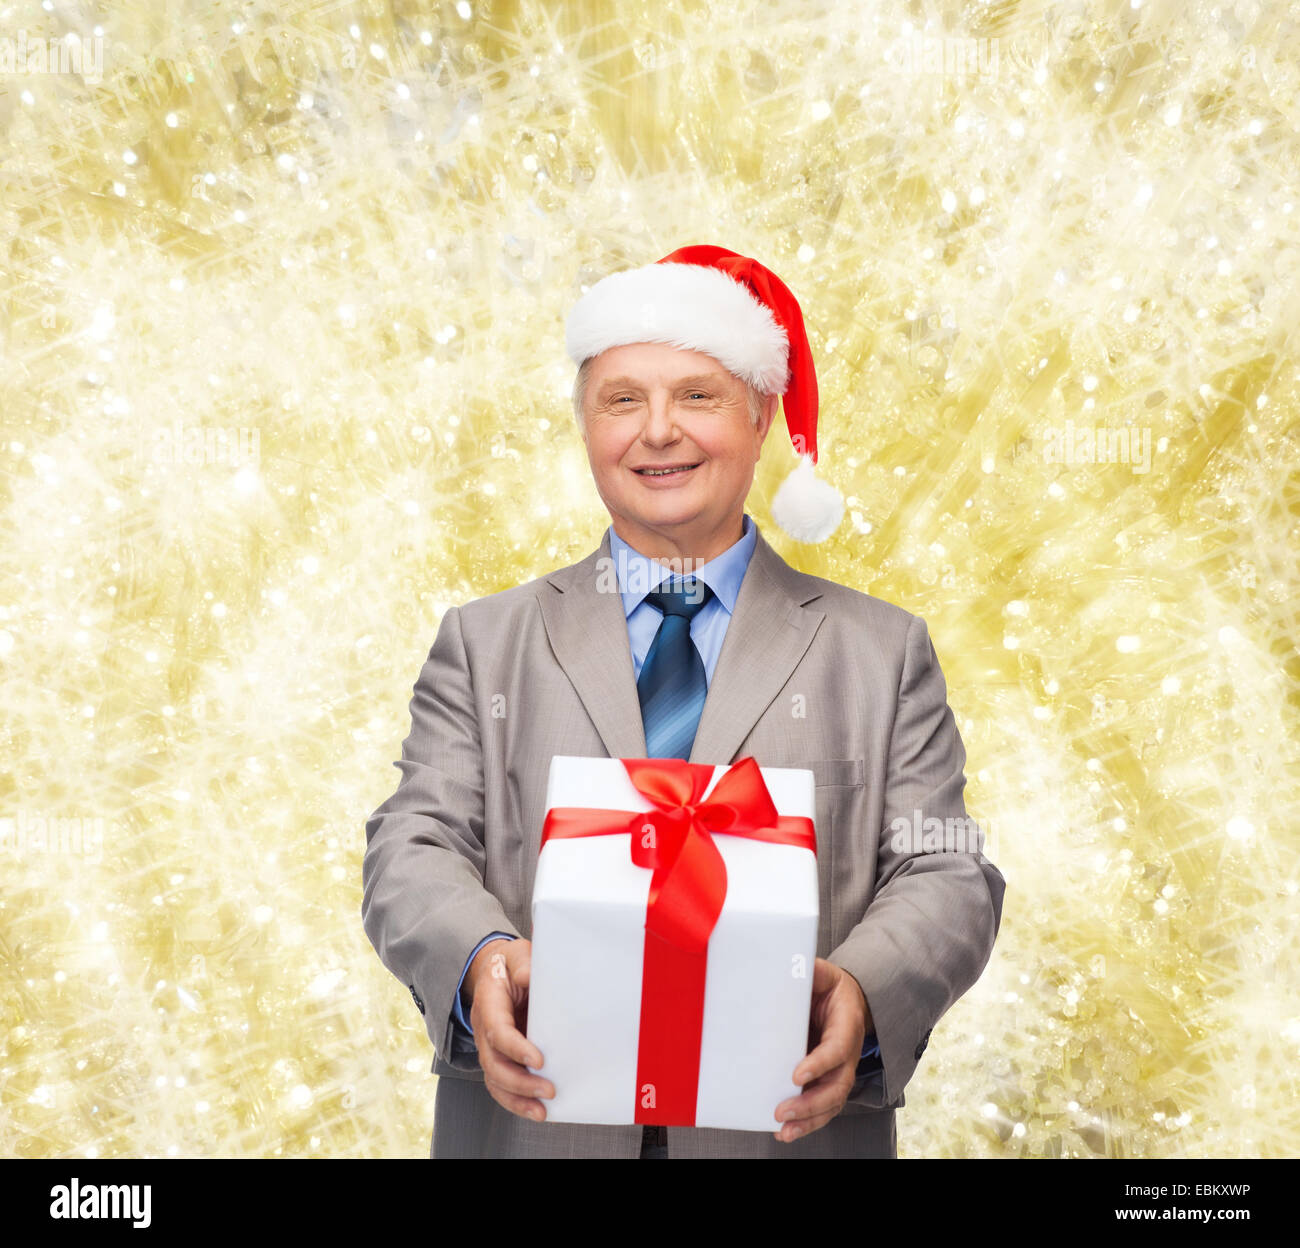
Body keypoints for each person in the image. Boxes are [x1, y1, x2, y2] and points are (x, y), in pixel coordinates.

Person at [362, 244, 1006, 1158]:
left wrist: (864, 988)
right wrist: (480, 964)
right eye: (622, 399)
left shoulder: (882, 653)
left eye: (697, 396)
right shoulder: (484, 643)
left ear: (760, 414)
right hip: (537, 1127)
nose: (657, 432)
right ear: (586, 424)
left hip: (787, 1133)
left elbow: (946, 870)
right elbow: (411, 843)